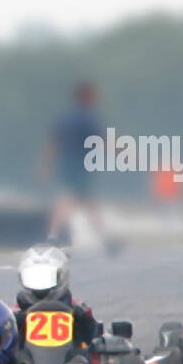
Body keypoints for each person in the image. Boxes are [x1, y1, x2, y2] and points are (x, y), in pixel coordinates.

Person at [39, 80, 108, 246]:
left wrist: (44, 166)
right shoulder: (87, 118)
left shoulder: (64, 118)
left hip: (66, 166)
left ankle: (105, 238)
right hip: (80, 166)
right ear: (86, 97)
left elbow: (52, 144)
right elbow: (103, 140)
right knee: (69, 199)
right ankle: (53, 236)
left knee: (87, 201)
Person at [12, 244, 99, 348]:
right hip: (24, 361)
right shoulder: (13, 313)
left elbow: (91, 337)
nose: (40, 284)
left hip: (70, 359)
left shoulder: (76, 308)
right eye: (34, 277)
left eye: (45, 277)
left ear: (61, 277)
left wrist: (83, 318)